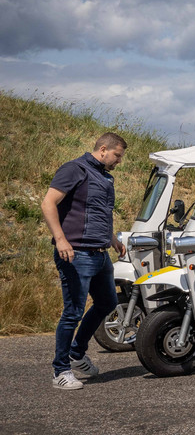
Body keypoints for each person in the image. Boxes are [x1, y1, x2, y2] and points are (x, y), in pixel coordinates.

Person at [41, 132, 128, 390]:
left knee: (108, 302)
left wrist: (112, 239)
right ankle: (60, 371)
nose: (118, 161)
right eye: (117, 156)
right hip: (76, 252)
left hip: (100, 253)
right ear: (103, 149)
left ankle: (76, 354)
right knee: (73, 312)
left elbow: (97, 212)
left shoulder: (104, 177)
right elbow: (48, 204)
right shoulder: (74, 169)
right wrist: (60, 239)